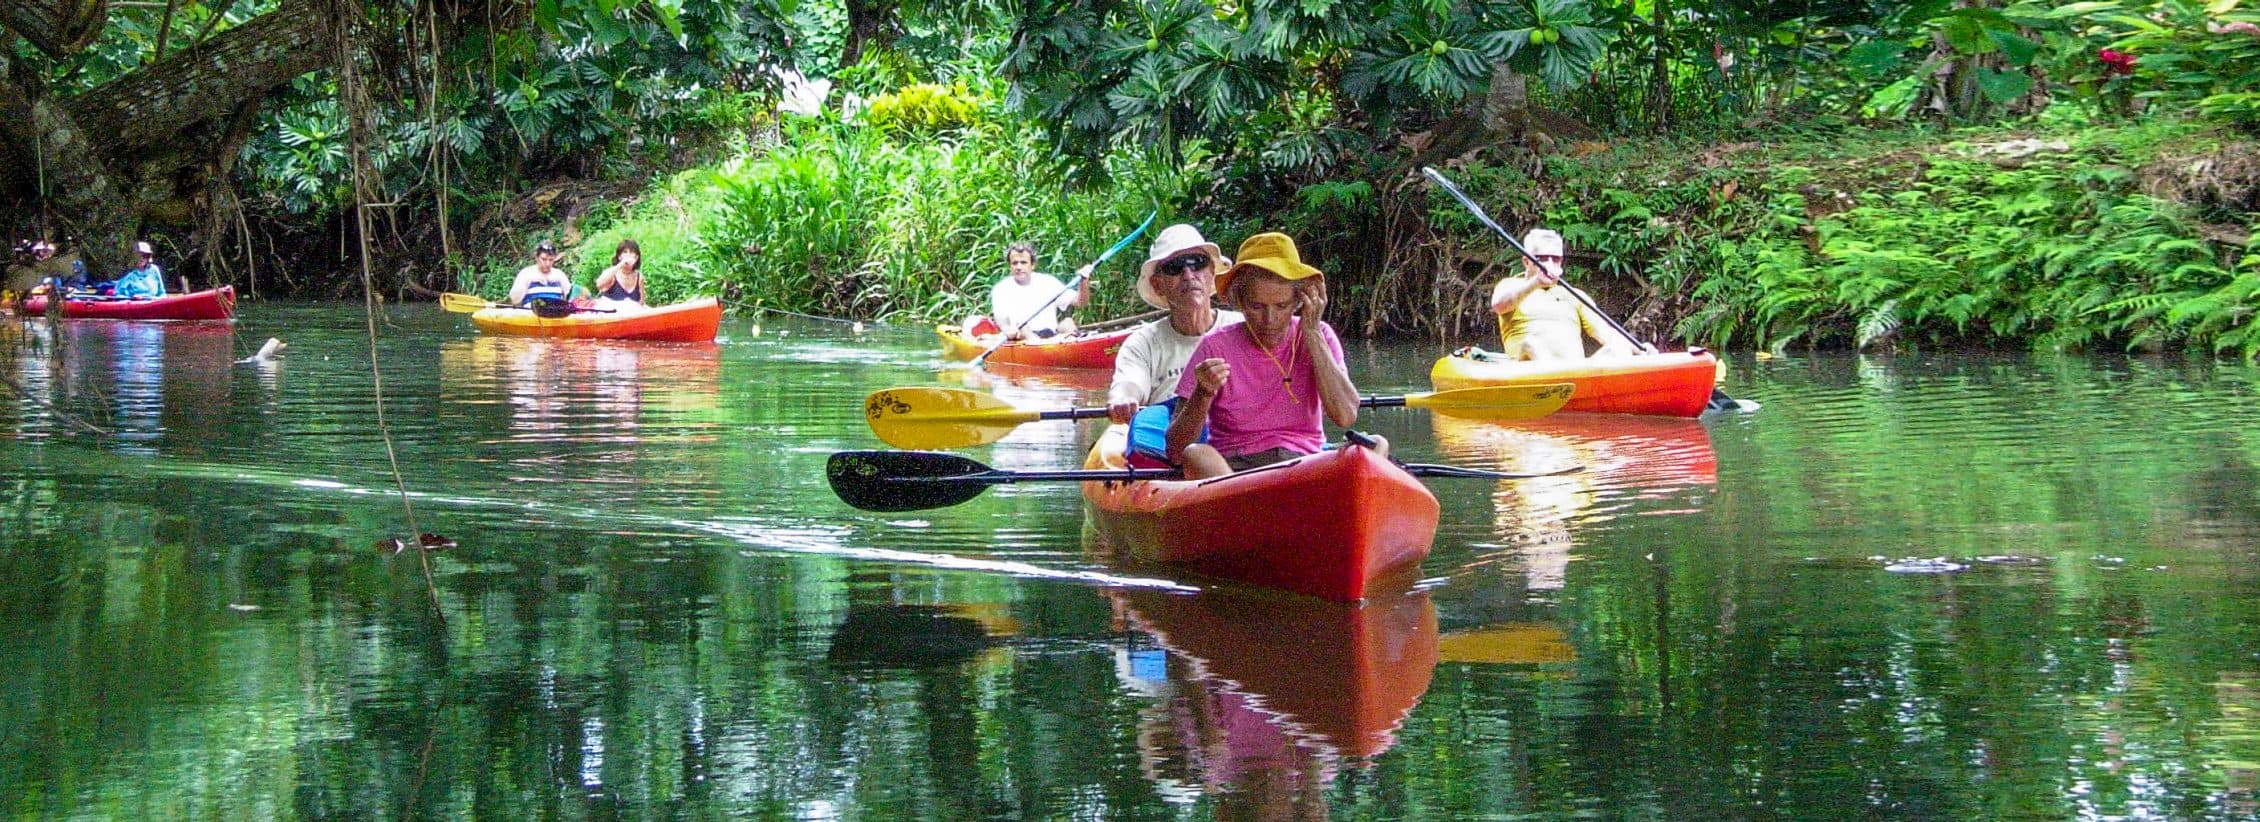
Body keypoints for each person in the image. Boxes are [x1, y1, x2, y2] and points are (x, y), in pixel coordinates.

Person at [1165, 232, 1381, 480]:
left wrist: (1311, 332)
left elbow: (1345, 416)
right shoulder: (1215, 345)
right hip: (1235, 471)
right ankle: (1251, 508)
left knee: (1375, 444)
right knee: (1196, 453)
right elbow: (1176, 451)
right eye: (1257, 307)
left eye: (1281, 306)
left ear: (1299, 301)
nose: (1269, 319)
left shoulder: (1319, 334)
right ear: (1240, 302)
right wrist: (1202, 393)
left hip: (1307, 462)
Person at [1105, 225, 1242, 468]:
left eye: (1198, 263)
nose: (1189, 275)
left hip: (1241, 440)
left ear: (1211, 272)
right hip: (1173, 446)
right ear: (1158, 285)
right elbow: (1129, 383)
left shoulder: (1242, 327)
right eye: (1175, 268)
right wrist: (1123, 398)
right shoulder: (1144, 342)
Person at [1487, 228, 1649, 360]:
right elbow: (1499, 305)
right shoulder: (1511, 285)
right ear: (1526, 261)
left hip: (1573, 373)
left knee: (1619, 347)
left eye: (1555, 259)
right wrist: (1536, 282)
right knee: (1531, 343)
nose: (1549, 264)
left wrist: (1640, 350)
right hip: (1528, 369)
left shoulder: (1574, 295)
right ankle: (1553, 381)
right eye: (1541, 258)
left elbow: (1605, 332)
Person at [989, 242, 1086, 340]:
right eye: (1015, 263)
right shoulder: (1000, 289)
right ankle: (1042, 348)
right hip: (1023, 338)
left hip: (1050, 335)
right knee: (1023, 328)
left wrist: (1084, 281)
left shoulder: (1048, 281)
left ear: (1032, 265)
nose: (1019, 267)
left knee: (1067, 323)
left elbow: (1080, 302)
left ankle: (1072, 349)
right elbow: (1002, 324)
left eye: (1023, 262)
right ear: (1010, 266)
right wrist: (1008, 331)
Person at [507, 240, 576, 307]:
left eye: (551, 260)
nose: (547, 263)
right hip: (530, 315)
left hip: (555, 314)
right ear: (537, 258)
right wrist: (528, 281)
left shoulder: (559, 275)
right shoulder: (526, 274)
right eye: (544, 259)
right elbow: (514, 300)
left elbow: (571, 299)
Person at [592, 238, 647, 310]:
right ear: (619, 257)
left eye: (632, 252)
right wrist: (621, 264)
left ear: (636, 257)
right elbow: (599, 285)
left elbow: (641, 303)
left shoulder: (639, 277)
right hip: (612, 315)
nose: (628, 255)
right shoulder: (612, 273)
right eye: (625, 252)